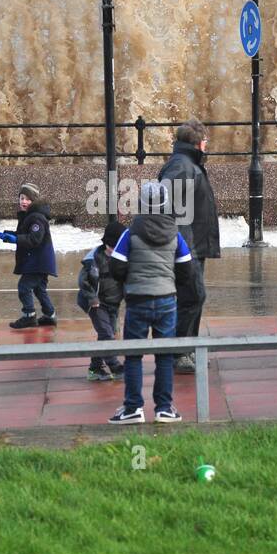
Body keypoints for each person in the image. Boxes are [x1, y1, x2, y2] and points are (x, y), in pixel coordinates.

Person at [107, 181, 195, 423]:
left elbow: (116, 265)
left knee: (133, 354)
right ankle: (164, 408)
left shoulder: (131, 231)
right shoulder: (175, 233)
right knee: (164, 355)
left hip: (137, 300)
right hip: (167, 300)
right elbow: (187, 269)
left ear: (141, 204)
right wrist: (170, 283)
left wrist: (129, 281)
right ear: (166, 204)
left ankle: (133, 408)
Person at [157, 119, 219, 374]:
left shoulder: (186, 164)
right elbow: (171, 212)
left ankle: (186, 348)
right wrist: (185, 251)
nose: (207, 146)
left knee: (191, 297)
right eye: (206, 141)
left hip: (192, 245)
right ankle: (178, 352)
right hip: (186, 248)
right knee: (192, 296)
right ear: (198, 142)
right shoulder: (183, 167)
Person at [0, 181, 56, 329]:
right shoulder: (29, 216)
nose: (24, 202)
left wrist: (15, 239)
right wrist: (6, 235)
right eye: (21, 198)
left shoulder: (37, 218)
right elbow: (23, 235)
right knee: (39, 289)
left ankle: (29, 316)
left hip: (38, 262)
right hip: (39, 261)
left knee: (24, 287)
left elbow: (34, 239)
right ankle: (50, 315)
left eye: (27, 199)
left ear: (34, 200)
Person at [77, 219, 126, 381]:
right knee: (107, 334)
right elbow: (83, 281)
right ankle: (114, 365)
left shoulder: (123, 258)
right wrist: (92, 298)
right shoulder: (95, 259)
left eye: (117, 247)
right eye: (111, 247)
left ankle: (95, 367)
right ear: (105, 243)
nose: (113, 250)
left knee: (107, 334)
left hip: (113, 303)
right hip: (97, 304)